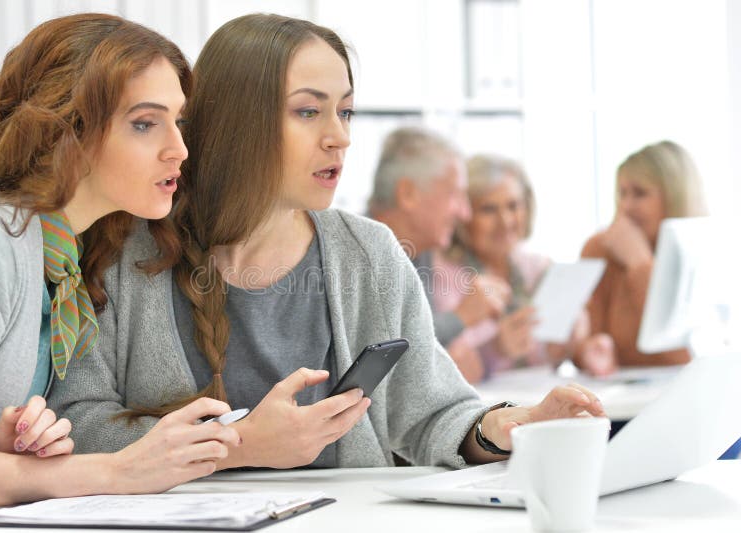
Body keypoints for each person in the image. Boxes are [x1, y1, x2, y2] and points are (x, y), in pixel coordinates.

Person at [49, 13, 605, 472]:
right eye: (308, 111)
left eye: (345, 111)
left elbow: (436, 415)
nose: (339, 136)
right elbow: (79, 423)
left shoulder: (370, 252)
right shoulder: (122, 249)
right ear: (237, 121)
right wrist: (239, 443)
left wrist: (504, 427)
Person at [0, 13, 238, 510]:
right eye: (145, 124)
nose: (179, 150)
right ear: (66, 131)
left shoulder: (59, 255)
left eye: (177, 121)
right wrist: (113, 471)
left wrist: (5, 444)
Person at [433, 155, 587, 382]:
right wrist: (495, 350)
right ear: (464, 214)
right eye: (488, 209)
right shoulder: (440, 275)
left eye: (513, 206)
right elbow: (441, 372)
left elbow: (551, 353)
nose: (505, 221)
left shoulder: (538, 268)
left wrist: (578, 345)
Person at [368, 127, 510, 348]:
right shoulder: (355, 250)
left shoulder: (419, 250)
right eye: (455, 194)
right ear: (408, 194)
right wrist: (461, 317)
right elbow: (384, 350)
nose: (466, 213)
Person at [576, 140, 708, 374]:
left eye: (640, 193)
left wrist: (640, 264)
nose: (625, 206)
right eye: (622, 193)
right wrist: (588, 352)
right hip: (622, 400)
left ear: (674, 197)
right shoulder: (600, 249)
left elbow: (686, 354)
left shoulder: (700, 252)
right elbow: (583, 343)